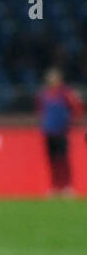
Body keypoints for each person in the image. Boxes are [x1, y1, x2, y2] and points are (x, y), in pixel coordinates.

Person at [35, 67, 81, 196]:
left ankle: (67, 186)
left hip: (61, 131)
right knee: (52, 161)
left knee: (64, 160)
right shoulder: (43, 95)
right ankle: (55, 187)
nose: (52, 81)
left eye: (54, 78)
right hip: (49, 131)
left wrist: (70, 121)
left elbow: (76, 107)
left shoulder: (65, 93)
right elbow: (41, 111)